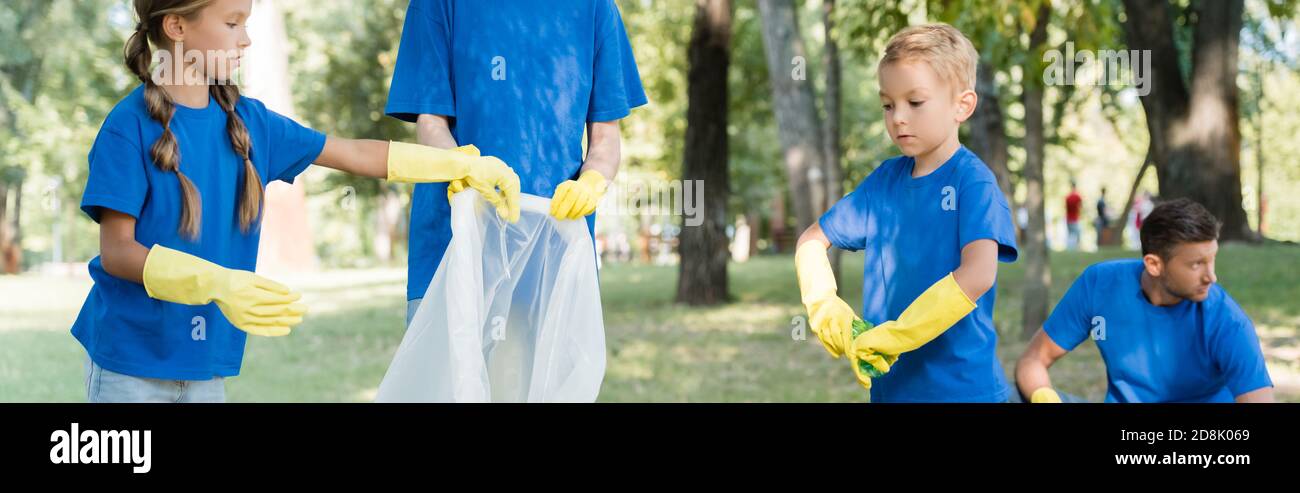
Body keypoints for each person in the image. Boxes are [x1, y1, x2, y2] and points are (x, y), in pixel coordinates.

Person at [74, 0, 520, 403]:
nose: (245, 38)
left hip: (206, 365)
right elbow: (116, 252)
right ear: (176, 26)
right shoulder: (126, 128)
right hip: (128, 365)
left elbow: (354, 153)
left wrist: (457, 167)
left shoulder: (251, 124)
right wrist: (216, 283)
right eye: (232, 23)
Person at [385, 0, 647, 325]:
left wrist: (592, 181)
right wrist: (461, 169)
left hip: (554, 239)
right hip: (456, 233)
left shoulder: (595, 7)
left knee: (546, 374)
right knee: (449, 373)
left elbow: (605, 136)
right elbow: (431, 121)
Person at [794, 24, 1018, 402]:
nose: (898, 117)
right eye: (887, 104)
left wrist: (901, 334)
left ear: (962, 105)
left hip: (963, 390)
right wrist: (827, 310)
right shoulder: (883, 182)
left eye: (915, 102)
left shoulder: (973, 182)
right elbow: (811, 241)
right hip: (891, 389)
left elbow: (978, 274)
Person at [1016, 198, 1273, 403]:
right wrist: (1045, 399)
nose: (1211, 276)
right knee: (1007, 395)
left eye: (1212, 259)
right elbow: (1032, 361)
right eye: (1197, 264)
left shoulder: (1227, 320)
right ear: (1153, 265)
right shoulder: (1099, 284)